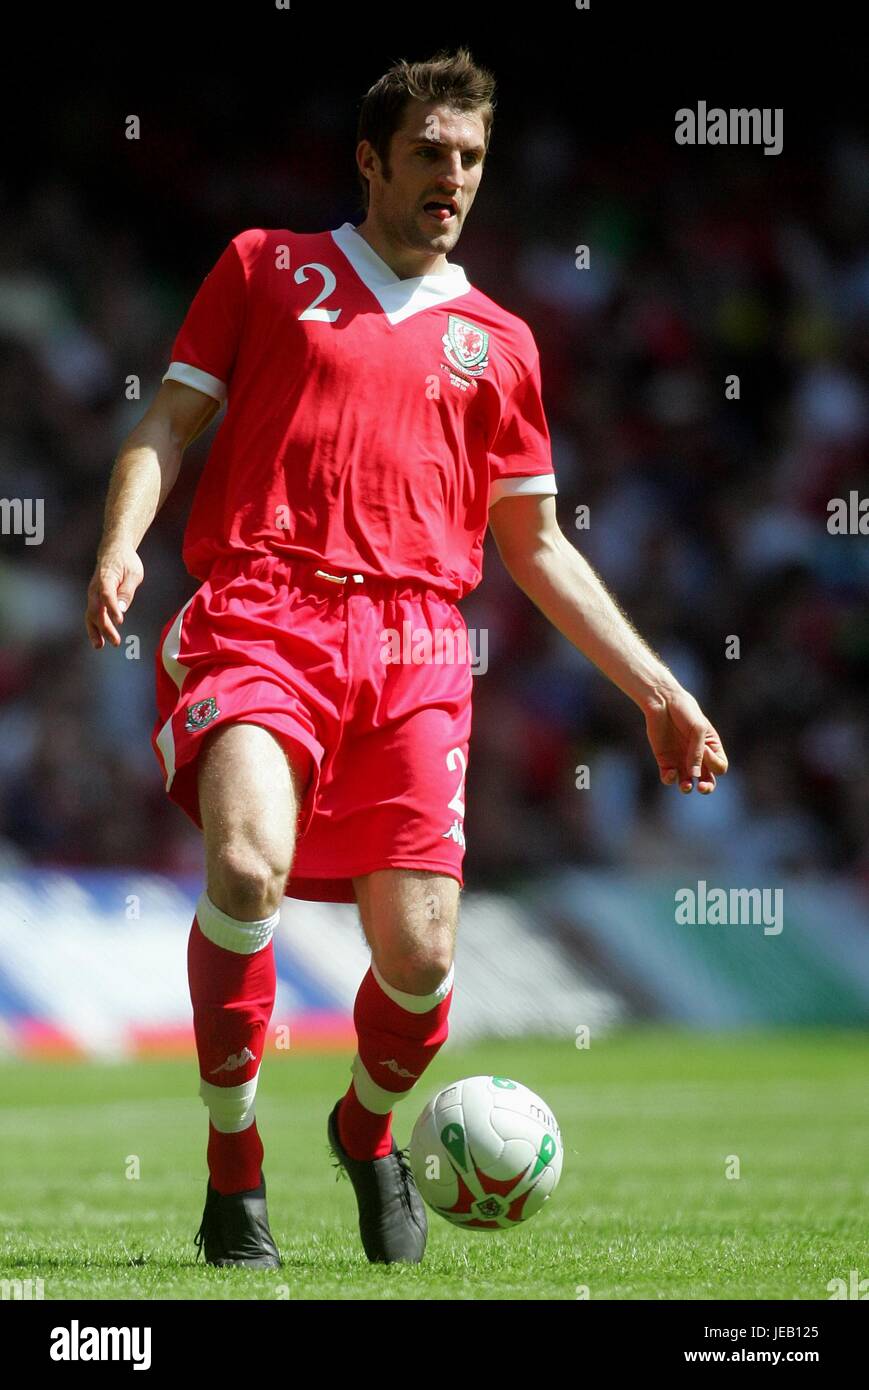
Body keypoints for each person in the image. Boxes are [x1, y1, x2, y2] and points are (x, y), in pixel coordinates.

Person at [85, 48, 727, 1268]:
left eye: (471, 159)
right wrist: (122, 542)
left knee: (424, 956)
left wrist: (656, 687)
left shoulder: (501, 342)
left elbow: (532, 543)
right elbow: (168, 420)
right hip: (263, 610)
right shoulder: (267, 267)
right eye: (429, 153)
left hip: (418, 646)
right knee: (243, 868)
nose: (452, 178)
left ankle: (363, 1127)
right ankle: (234, 1172)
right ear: (371, 158)